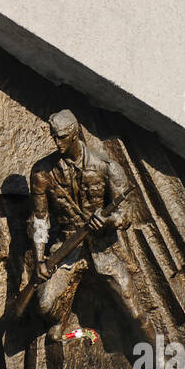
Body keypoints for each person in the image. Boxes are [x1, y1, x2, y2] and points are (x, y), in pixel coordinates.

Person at [27, 110, 154, 343]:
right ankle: (64, 332)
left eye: (62, 136)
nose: (57, 142)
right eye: (54, 136)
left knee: (135, 312)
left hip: (103, 249)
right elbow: (40, 219)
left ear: (75, 134)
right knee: (44, 306)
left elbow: (126, 215)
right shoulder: (42, 172)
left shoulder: (107, 167)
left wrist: (107, 221)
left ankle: (160, 358)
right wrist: (39, 259)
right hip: (66, 250)